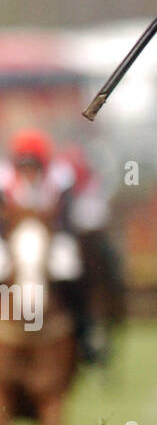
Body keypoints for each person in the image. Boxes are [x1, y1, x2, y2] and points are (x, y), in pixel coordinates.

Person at [0, 128, 99, 362]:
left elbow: (65, 218)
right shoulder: (4, 180)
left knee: (69, 265)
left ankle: (83, 330)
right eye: (24, 165)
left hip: (51, 236)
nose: (29, 172)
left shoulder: (60, 178)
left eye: (33, 165)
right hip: (12, 237)